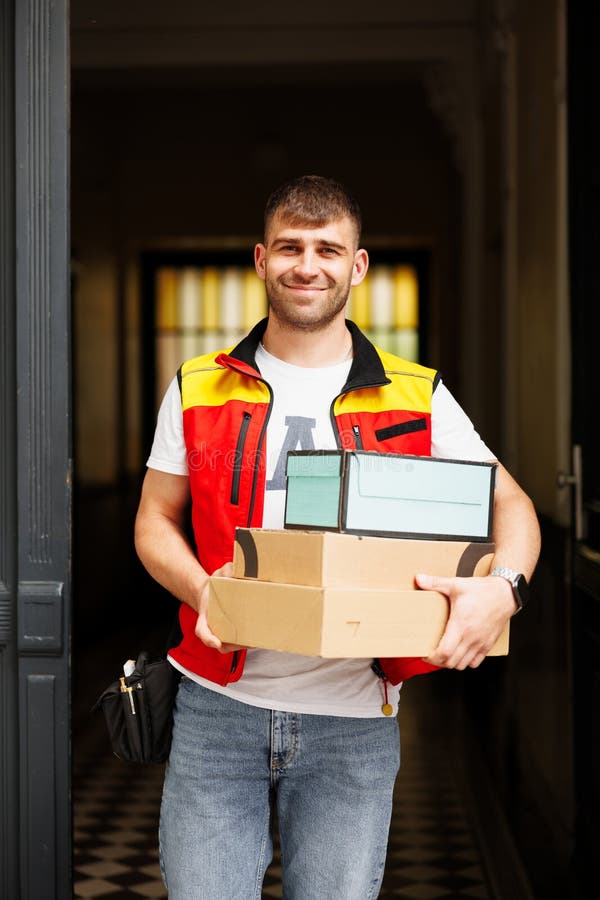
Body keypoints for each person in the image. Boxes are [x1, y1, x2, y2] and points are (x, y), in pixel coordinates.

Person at [134, 175, 541, 899]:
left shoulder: (416, 393)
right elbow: (153, 521)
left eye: (328, 248)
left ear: (357, 266)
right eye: (290, 246)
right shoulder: (199, 384)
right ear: (261, 259)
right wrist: (205, 593)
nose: (307, 264)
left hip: (353, 718)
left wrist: (502, 593)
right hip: (214, 711)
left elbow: (512, 505)